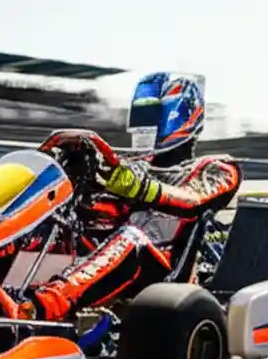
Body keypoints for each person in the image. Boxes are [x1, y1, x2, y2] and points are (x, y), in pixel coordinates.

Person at [18, 72, 243, 320]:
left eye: (153, 116)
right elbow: (109, 210)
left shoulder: (218, 168)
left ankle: (39, 308)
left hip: (166, 272)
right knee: (50, 230)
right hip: (118, 259)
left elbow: (191, 202)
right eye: (142, 115)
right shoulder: (134, 167)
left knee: (130, 239)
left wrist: (137, 187)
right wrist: (84, 185)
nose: (145, 124)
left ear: (180, 115)